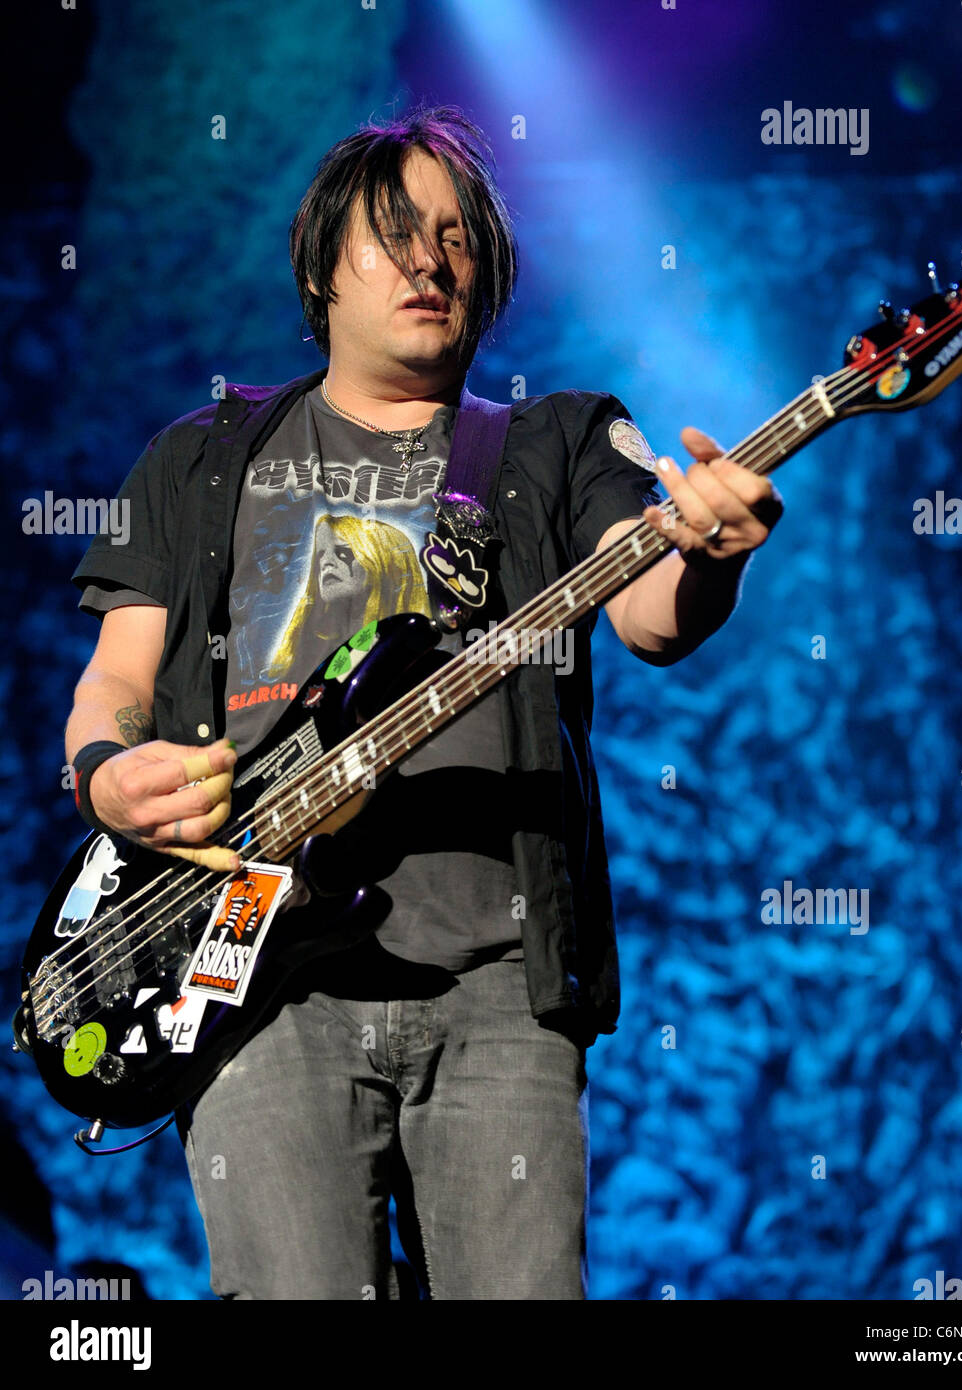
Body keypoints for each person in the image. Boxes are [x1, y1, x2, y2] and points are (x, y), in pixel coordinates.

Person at [65, 105, 782, 1300]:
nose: (427, 259)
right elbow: (114, 685)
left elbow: (652, 615)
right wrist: (106, 772)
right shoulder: (196, 458)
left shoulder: (556, 441)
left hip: (498, 992)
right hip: (257, 991)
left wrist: (712, 552)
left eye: (454, 238)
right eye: (394, 231)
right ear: (316, 267)